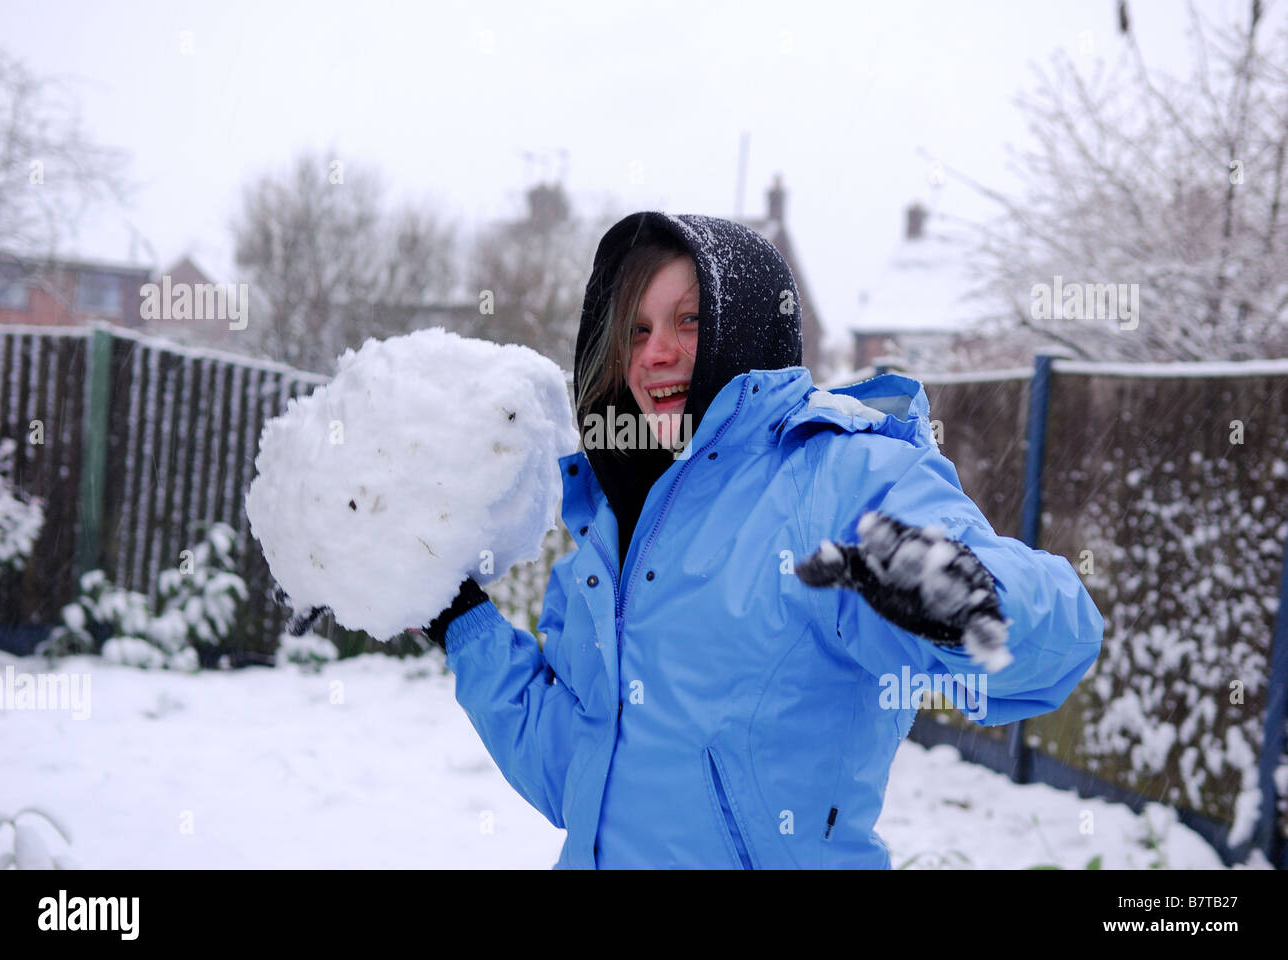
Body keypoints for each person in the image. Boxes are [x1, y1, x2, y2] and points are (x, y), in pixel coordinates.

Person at [423, 211, 1103, 869]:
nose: (655, 352)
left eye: (688, 320)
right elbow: (580, 772)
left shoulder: (836, 474)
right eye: (635, 329)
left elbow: (1057, 638)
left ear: (743, 326)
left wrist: (971, 600)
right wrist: (463, 624)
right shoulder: (610, 524)